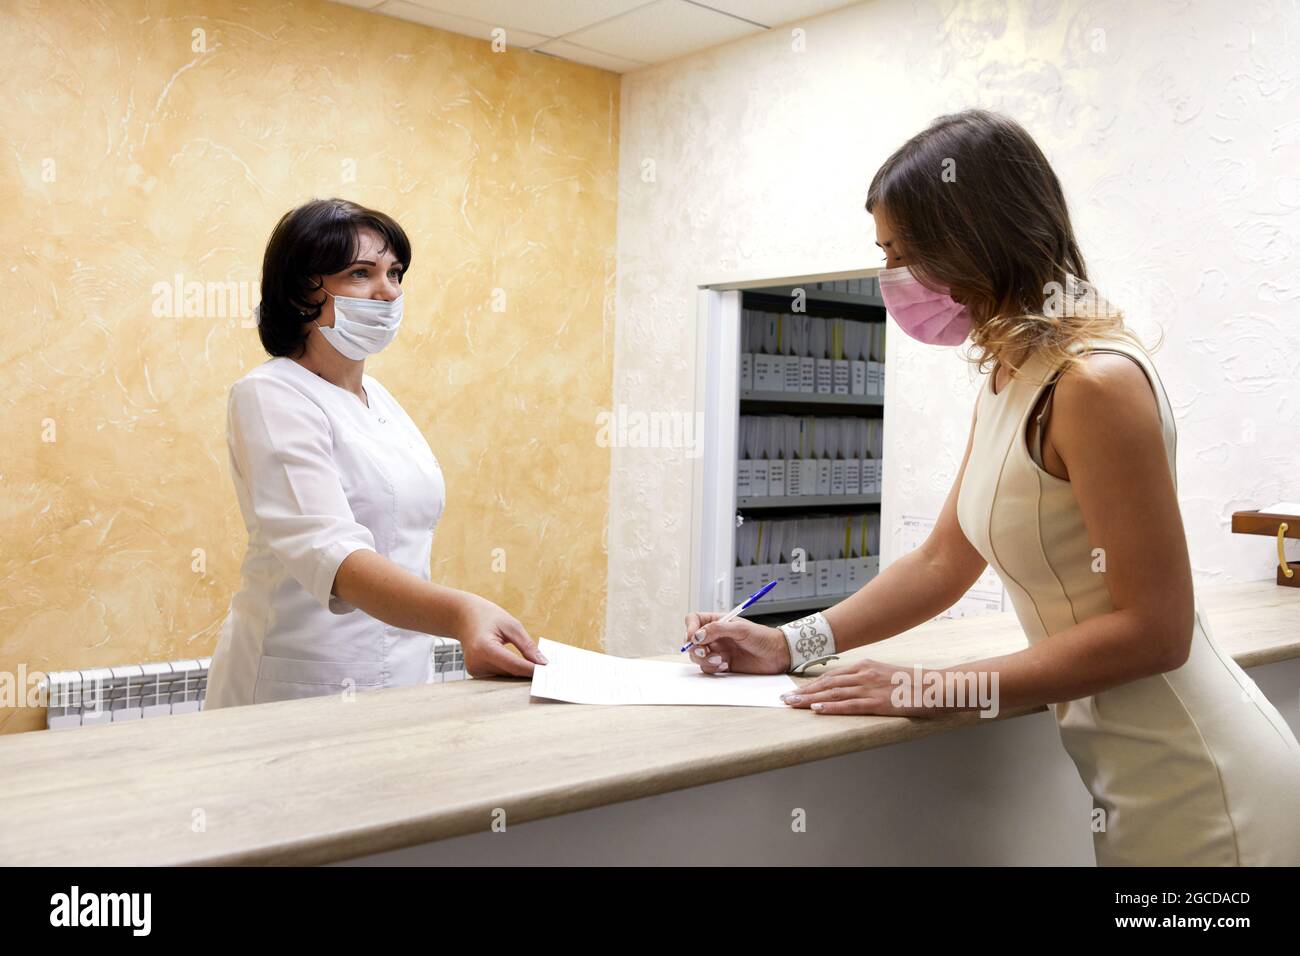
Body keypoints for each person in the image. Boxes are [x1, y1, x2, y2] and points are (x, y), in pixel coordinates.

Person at [683, 109, 1300, 866]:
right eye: (886, 254)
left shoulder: (1095, 384)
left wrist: (926, 688)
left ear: (977, 239)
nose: (893, 280)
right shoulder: (1013, 378)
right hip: (1131, 781)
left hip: (1207, 791)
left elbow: (1157, 630)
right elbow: (945, 560)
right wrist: (790, 642)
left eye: (906, 254)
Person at [206, 198, 545, 708]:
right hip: (301, 685)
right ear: (302, 291)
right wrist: (461, 613)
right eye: (361, 274)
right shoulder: (270, 394)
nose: (388, 292)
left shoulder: (378, 399)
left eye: (395, 272)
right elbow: (333, 556)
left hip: (403, 673)